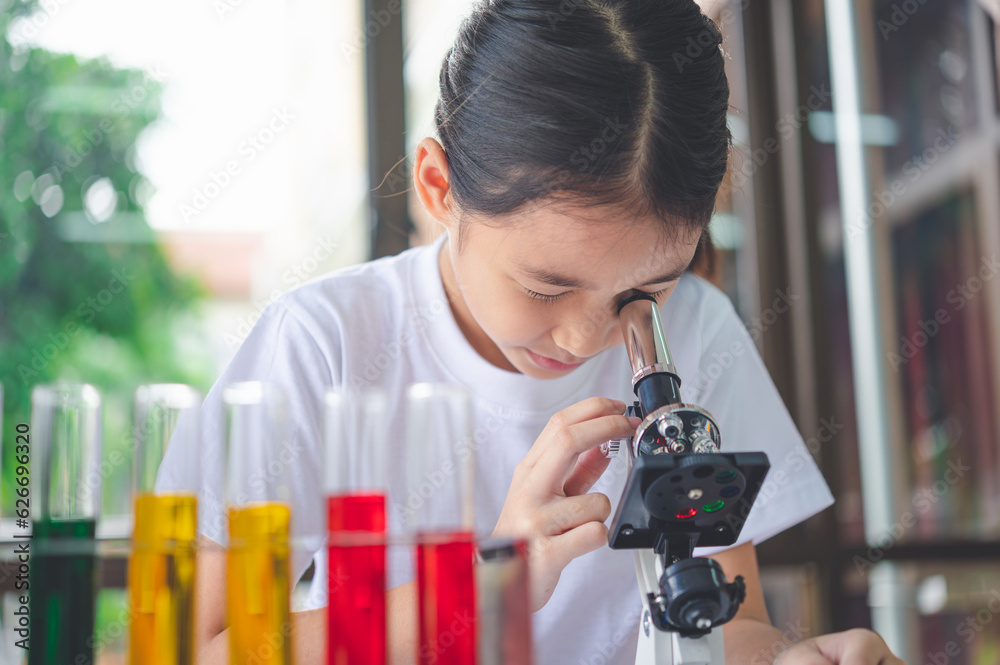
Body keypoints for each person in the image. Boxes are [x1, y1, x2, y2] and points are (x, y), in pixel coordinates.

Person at [158, 0, 906, 663]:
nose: (584, 339)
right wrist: (486, 586)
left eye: (643, 290)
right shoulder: (320, 348)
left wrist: (788, 655)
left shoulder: (695, 330)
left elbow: (728, 621)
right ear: (438, 187)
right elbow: (190, 645)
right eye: (545, 285)